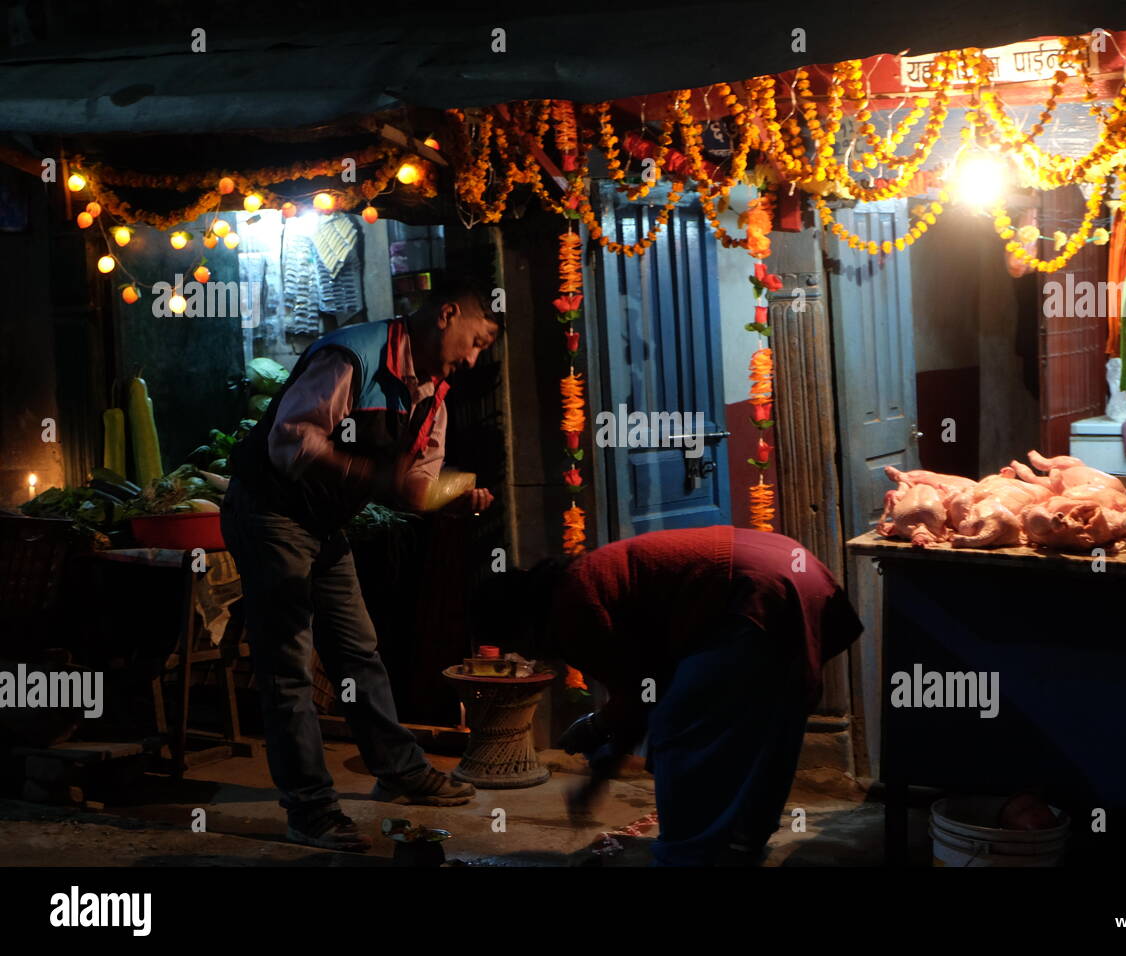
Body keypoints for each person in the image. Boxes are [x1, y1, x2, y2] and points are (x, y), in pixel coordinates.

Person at [221, 279, 499, 852]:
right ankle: (311, 808)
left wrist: (454, 495)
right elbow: (291, 442)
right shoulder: (349, 355)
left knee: (357, 650)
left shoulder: (431, 393)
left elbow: (417, 484)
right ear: (448, 313)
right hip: (270, 512)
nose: (473, 359)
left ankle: (398, 768)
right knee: (289, 665)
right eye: (476, 340)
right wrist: (373, 478)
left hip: (323, 525)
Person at [489, 524, 863, 866]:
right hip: (791, 568)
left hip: (752, 588)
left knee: (679, 728)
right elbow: (650, 683)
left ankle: (687, 856)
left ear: (524, 621)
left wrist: (594, 766)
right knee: (770, 716)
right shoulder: (579, 579)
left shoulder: (571, 607)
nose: (526, 654)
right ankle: (744, 840)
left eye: (516, 644)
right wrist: (601, 732)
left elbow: (639, 698)